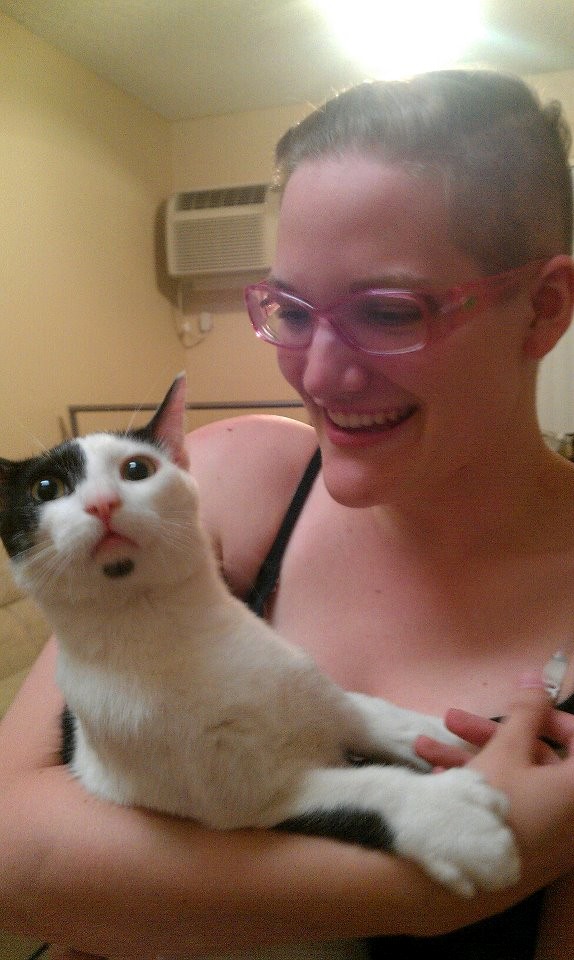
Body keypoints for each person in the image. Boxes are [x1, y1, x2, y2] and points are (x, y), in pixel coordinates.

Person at [1, 68, 574, 959]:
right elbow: (11, 852)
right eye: (293, 311)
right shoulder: (233, 479)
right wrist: (415, 887)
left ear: (542, 309)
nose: (319, 374)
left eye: (388, 310)